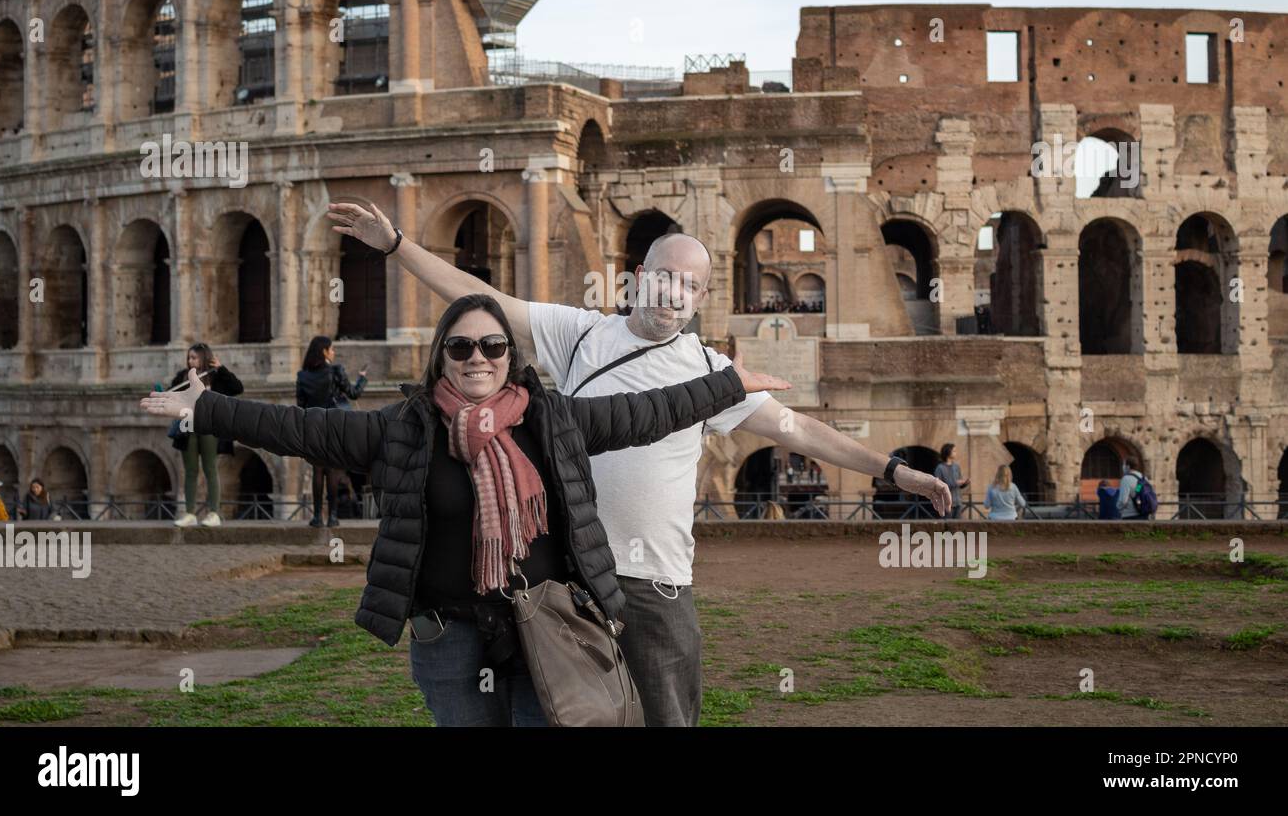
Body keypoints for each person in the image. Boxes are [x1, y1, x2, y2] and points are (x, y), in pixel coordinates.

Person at [327, 200, 952, 727]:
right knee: (566, 714)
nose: (673, 292)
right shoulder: (581, 335)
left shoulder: (709, 371)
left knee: (665, 717)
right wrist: (398, 245)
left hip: (655, 585)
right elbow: (482, 299)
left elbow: (798, 428)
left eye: (690, 284)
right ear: (638, 278)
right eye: (664, 276)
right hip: (568, 579)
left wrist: (895, 470)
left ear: (702, 295)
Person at [140, 293, 788, 727]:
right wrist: (206, 407)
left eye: (492, 347)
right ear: (441, 357)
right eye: (461, 347)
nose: (478, 357)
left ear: (511, 357)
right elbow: (302, 429)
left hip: (547, 620)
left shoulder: (551, 419)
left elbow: (646, 412)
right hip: (448, 633)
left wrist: (729, 384)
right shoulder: (403, 427)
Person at [167, 343, 244, 527]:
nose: (190, 361)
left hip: (209, 426)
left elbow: (237, 388)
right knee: (190, 471)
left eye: (194, 357)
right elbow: (172, 398)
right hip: (188, 426)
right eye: (189, 357)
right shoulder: (182, 377)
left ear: (203, 358)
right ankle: (190, 513)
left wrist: (222, 369)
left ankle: (214, 513)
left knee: (210, 468)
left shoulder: (214, 377)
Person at [296, 336, 368, 527]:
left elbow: (300, 405)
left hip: (313, 425)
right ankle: (333, 516)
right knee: (334, 471)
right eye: (332, 349)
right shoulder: (336, 371)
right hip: (335, 424)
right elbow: (353, 393)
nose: (334, 352)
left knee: (318, 471)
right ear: (324, 352)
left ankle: (318, 516)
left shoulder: (302, 376)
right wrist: (362, 378)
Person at [934, 443, 970, 520]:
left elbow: (959, 485)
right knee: (947, 527)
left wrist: (965, 483)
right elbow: (937, 486)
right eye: (954, 451)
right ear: (948, 452)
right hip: (946, 502)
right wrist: (955, 483)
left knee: (957, 528)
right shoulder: (940, 468)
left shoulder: (956, 466)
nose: (955, 453)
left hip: (958, 502)